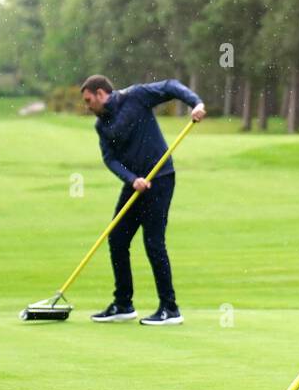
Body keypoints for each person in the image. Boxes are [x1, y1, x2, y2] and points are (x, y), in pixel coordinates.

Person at [80, 74, 205, 326]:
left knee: (153, 242)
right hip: (136, 185)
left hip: (160, 178)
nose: (87, 106)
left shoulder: (135, 96)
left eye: (88, 100)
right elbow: (110, 159)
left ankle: (170, 309)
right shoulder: (101, 125)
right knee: (117, 238)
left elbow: (170, 86)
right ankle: (123, 304)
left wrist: (196, 103)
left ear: (101, 93)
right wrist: (131, 178)